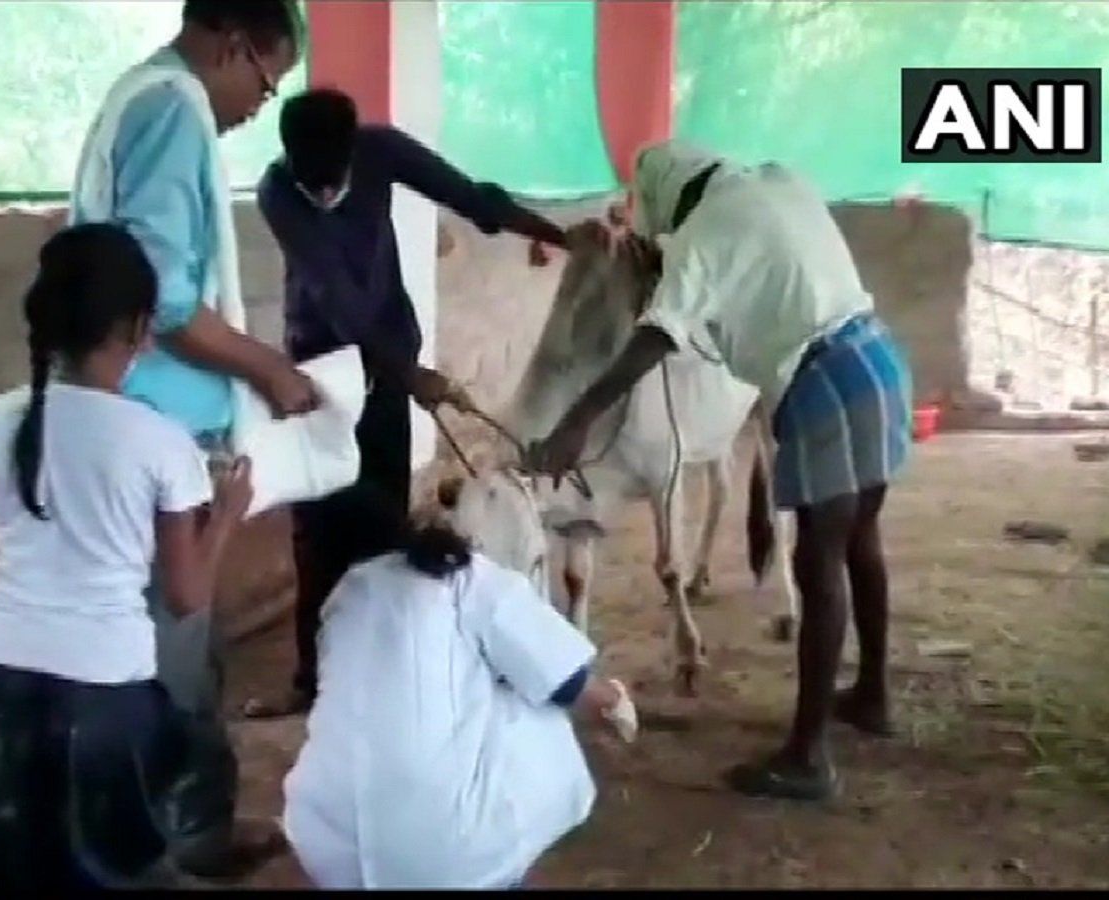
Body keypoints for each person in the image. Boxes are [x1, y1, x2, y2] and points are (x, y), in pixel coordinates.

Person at [528, 139, 913, 802]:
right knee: (860, 543)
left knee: (818, 565)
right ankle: (873, 695)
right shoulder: (776, 176)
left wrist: (576, 422)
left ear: (663, 196)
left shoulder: (702, 238)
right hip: (878, 360)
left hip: (823, 384)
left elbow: (658, 334)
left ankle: (808, 757)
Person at [0, 223, 254, 890]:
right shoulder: (163, 443)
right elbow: (187, 598)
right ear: (138, 328)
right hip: (103, 703)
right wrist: (228, 517)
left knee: (2, 866)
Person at [66, 0, 311, 874]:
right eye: (266, 80)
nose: (259, 103)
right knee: (170, 644)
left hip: (134, 431)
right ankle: (168, 845)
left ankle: (180, 829)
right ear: (234, 45)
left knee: (172, 644)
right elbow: (162, 295)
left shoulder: (139, 96)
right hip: (156, 437)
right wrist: (266, 369)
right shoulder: (174, 109)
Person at [245, 87, 573, 718]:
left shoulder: (380, 150)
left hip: (390, 368)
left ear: (352, 148)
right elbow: (334, 297)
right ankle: (312, 680)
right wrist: (412, 374)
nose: (323, 194)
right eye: (309, 181)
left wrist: (556, 234)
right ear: (289, 161)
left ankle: (382, 667)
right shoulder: (276, 192)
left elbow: (471, 198)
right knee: (318, 529)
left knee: (385, 519)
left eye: (332, 179)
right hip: (321, 375)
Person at [279, 483, 637, 890]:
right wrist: (613, 698)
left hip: (327, 843)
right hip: (452, 853)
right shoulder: (462, 576)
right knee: (525, 695)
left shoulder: (338, 605)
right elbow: (565, 679)